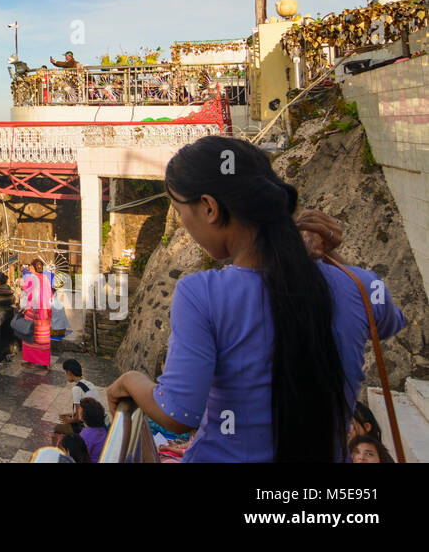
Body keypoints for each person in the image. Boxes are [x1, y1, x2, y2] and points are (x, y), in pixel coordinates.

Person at [105, 135, 406, 462]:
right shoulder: (360, 286)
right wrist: (334, 261)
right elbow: (389, 322)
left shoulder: (201, 293)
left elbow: (178, 412)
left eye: (180, 212)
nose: (183, 224)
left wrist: (131, 380)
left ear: (209, 208)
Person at [55, 358, 108, 433]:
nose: (65, 375)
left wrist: (69, 420)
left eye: (65, 372)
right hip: (105, 421)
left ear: (69, 372)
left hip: (96, 426)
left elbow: (79, 418)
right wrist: (71, 414)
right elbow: (87, 409)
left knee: (58, 429)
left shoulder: (76, 389)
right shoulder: (89, 384)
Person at [21, 258, 53, 370]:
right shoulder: (45, 278)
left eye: (30, 266)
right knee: (43, 338)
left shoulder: (31, 278)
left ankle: (32, 362)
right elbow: (50, 294)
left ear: (33, 267)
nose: (29, 268)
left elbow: (25, 290)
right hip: (45, 312)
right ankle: (46, 362)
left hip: (33, 312)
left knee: (30, 336)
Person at [78, 397, 108, 462]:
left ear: (85, 415)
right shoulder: (103, 427)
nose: (78, 410)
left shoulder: (86, 435)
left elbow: (81, 458)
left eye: (80, 409)